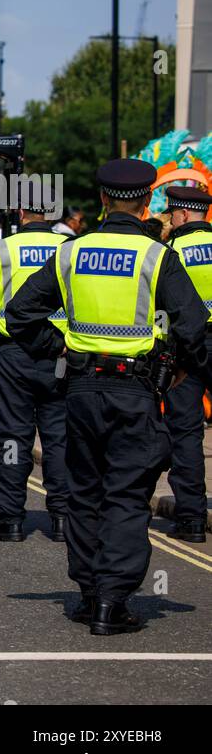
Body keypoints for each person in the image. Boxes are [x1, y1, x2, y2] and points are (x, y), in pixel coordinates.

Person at [6, 159, 212, 634]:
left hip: (79, 388)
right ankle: (111, 602)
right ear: (145, 204)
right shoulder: (155, 255)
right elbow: (193, 323)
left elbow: (19, 314)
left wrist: (56, 346)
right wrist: (179, 365)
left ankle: (87, 592)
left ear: (102, 201)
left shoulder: (69, 253)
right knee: (125, 494)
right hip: (134, 389)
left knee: (85, 491)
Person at [0, 198, 70, 543]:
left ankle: (10, 519)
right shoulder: (70, 249)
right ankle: (61, 518)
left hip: (13, 355)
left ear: (21, 214)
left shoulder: (1, 251)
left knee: (12, 436)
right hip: (61, 356)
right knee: (59, 439)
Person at [158, 186, 212, 543]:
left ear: (180, 215)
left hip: (187, 349)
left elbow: (163, 309)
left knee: (186, 432)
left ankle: (191, 519)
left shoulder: (172, 251)